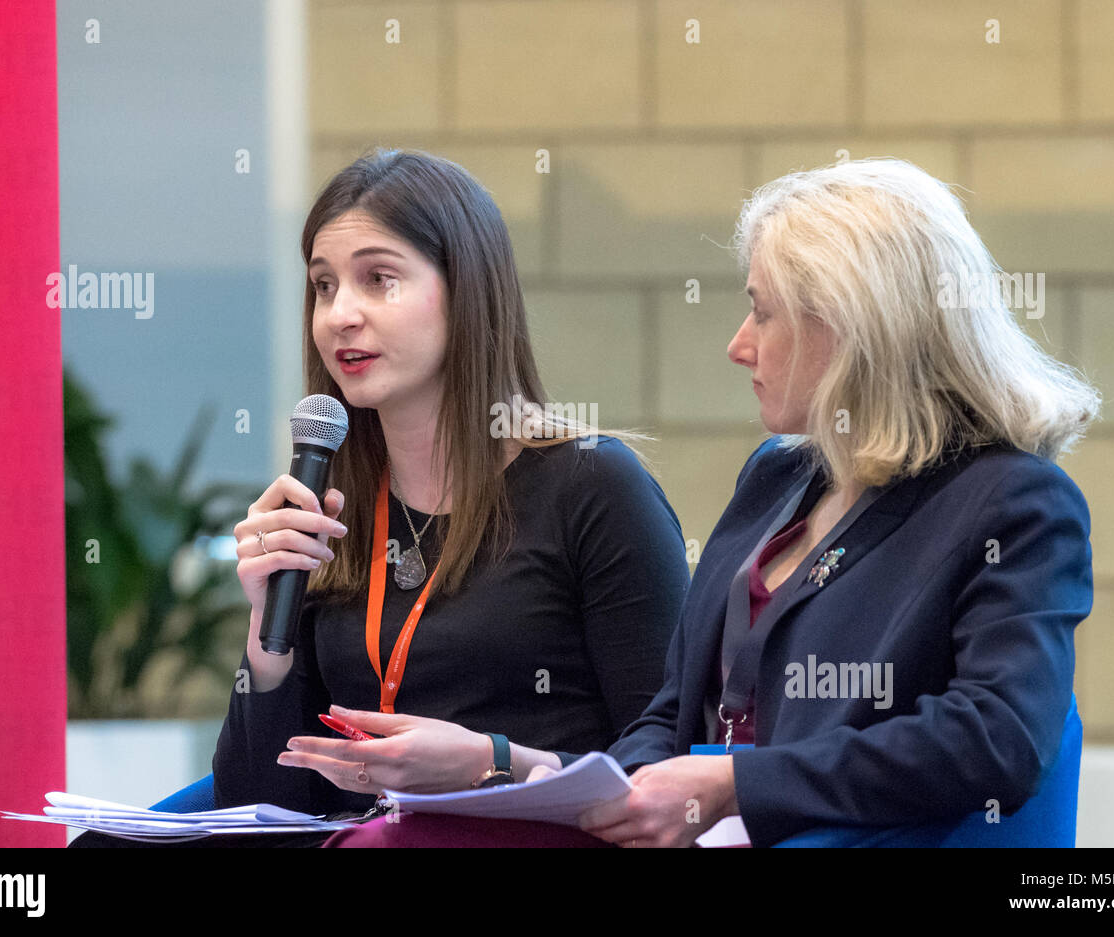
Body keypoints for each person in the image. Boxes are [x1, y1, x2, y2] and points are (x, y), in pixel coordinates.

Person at [318, 156, 1099, 847]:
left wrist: (734, 784)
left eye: (763, 310)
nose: (739, 344)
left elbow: (999, 737)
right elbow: (669, 717)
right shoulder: (776, 478)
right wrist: (518, 769)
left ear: (851, 326)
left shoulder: (1011, 501)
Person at [69, 149, 688, 846]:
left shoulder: (592, 486)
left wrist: (494, 763)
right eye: (323, 286)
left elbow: (664, 768)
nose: (340, 315)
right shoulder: (332, 507)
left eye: (378, 280)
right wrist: (267, 642)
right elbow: (259, 803)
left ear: (466, 291)